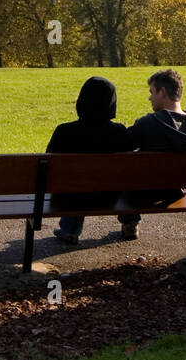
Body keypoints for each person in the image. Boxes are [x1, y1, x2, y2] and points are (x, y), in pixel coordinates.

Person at [116, 68, 186, 238]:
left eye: (152, 92)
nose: (150, 97)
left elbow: (123, 144)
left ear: (162, 92)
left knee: (126, 172)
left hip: (145, 192)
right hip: (177, 189)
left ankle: (130, 222)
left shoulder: (148, 123)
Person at [46, 76, 132, 246]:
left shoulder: (64, 132)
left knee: (73, 185)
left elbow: (49, 165)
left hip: (73, 197)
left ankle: (70, 230)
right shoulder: (120, 132)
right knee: (128, 181)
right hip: (111, 195)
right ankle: (130, 223)